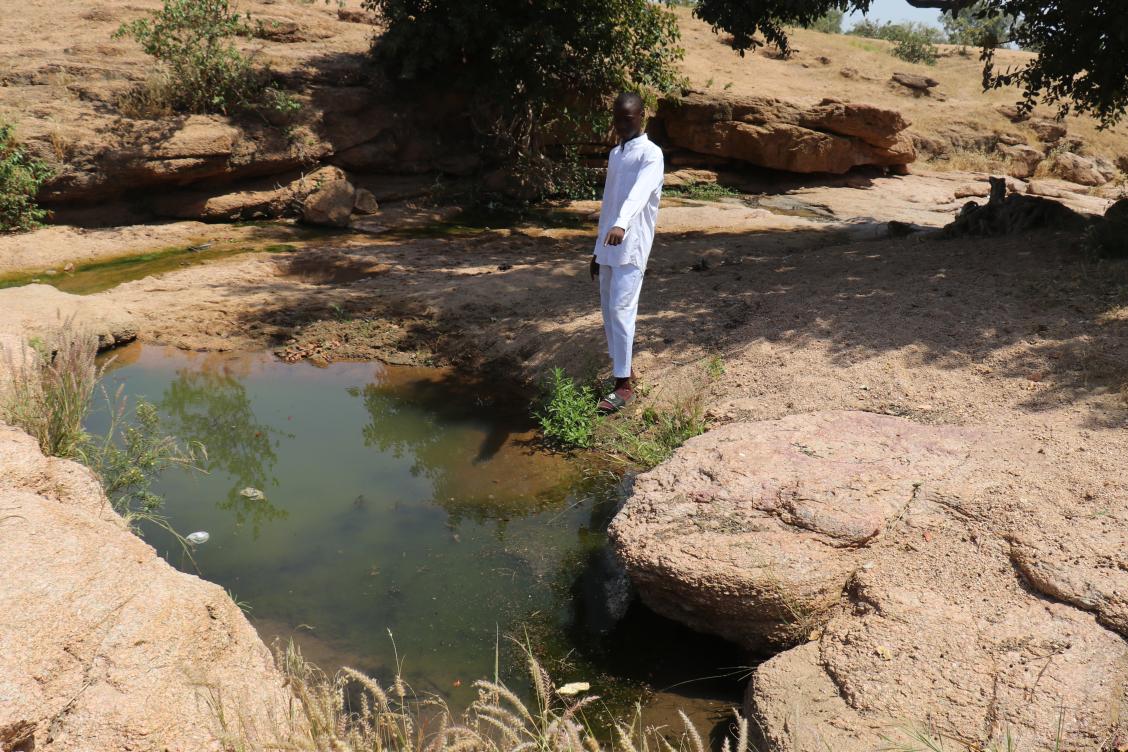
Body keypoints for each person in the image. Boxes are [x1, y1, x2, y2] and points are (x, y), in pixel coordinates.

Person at [590, 91, 664, 413]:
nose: (621, 125)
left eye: (628, 119)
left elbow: (639, 193)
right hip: (609, 245)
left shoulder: (651, 154)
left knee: (622, 309)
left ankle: (623, 387)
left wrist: (621, 224)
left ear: (642, 117)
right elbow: (608, 204)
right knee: (608, 310)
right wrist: (597, 251)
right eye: (617, 119)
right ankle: (623, 368)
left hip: (631, 245)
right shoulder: (616, 154)